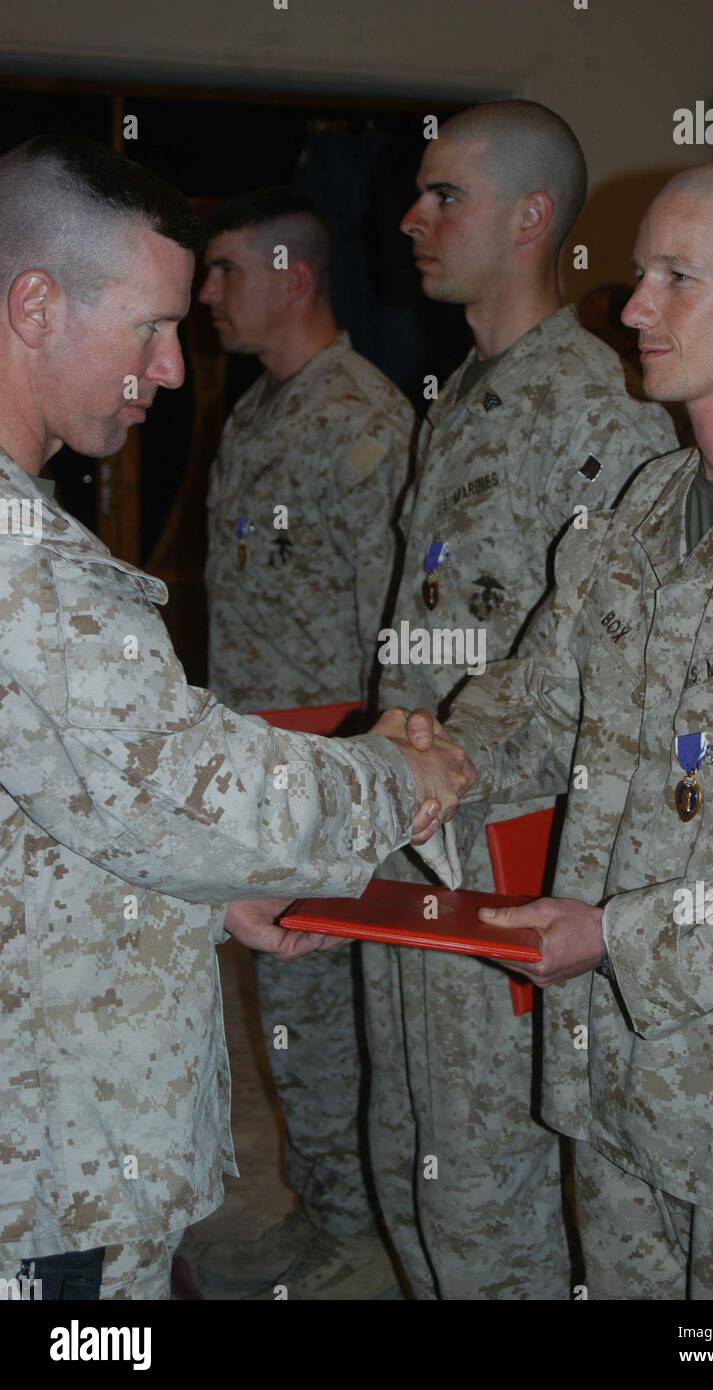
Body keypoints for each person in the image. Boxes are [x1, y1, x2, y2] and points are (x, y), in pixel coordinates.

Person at [0, 134, 468, 1301]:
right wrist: (395, 777)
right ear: (36, 304)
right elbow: (185, 789)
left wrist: (203, 892)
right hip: (53, 1181)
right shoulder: (25, 572)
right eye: (150, 326)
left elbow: (52, 827)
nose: (168, 366)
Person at [409, 156, 713, 1300]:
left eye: (675, 276)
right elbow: (535, 706)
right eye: (637, 275)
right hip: (607, 1068)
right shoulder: (635, 519)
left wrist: (612, 936)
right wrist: (413, 760)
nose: (635, 307)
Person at [364, 99, 677, 1300]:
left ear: (533, 215)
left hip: (507, 843)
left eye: (447, 194)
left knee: (491, 1168)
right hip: (415, 819)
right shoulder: (467, 394)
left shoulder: (596, 405)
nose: (412, 216)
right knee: (411, 1134)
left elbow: (598, 666)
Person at [200, 188, 415, 1296]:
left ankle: (362, 1237)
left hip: (330, 771)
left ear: (293, 275)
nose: (207, 294)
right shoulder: (256, 412)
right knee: (289, 1014)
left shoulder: (365, 419)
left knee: (333, 1019)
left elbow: (397, 625)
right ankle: (325, 1207)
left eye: (227, 268)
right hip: (262, 764)